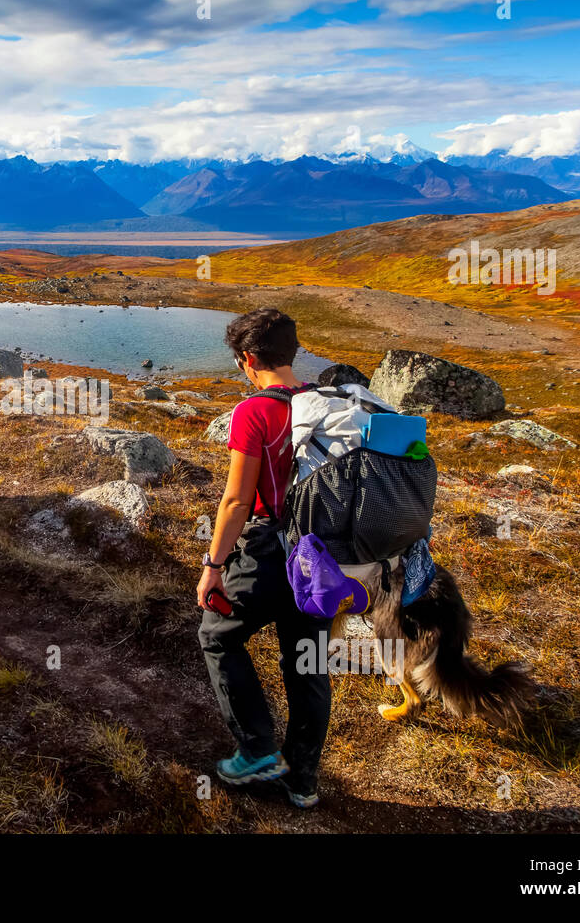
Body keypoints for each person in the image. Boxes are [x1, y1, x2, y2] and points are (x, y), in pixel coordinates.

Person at [195, 308, 332, 808]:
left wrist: (213, 568)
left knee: (217, 636)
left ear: (248, 359)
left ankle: (256, 749)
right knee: (308, 664)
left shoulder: (254, 411)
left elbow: (235, 501)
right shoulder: (326, 404)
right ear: (292, 352)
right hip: (321, 559)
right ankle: (303, 781)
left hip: (267, 554)